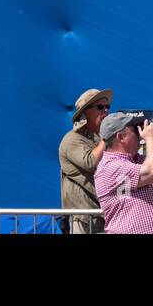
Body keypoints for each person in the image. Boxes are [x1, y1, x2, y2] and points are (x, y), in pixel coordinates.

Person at [59, 87, 113, 233]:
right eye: (100, 107)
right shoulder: (71, 139)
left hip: (104, 215)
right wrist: (107, 136)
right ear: (85, 112)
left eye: (108, 107)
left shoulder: (100, 139)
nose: (106, 111)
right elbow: (91, 162)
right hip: (83, 218)